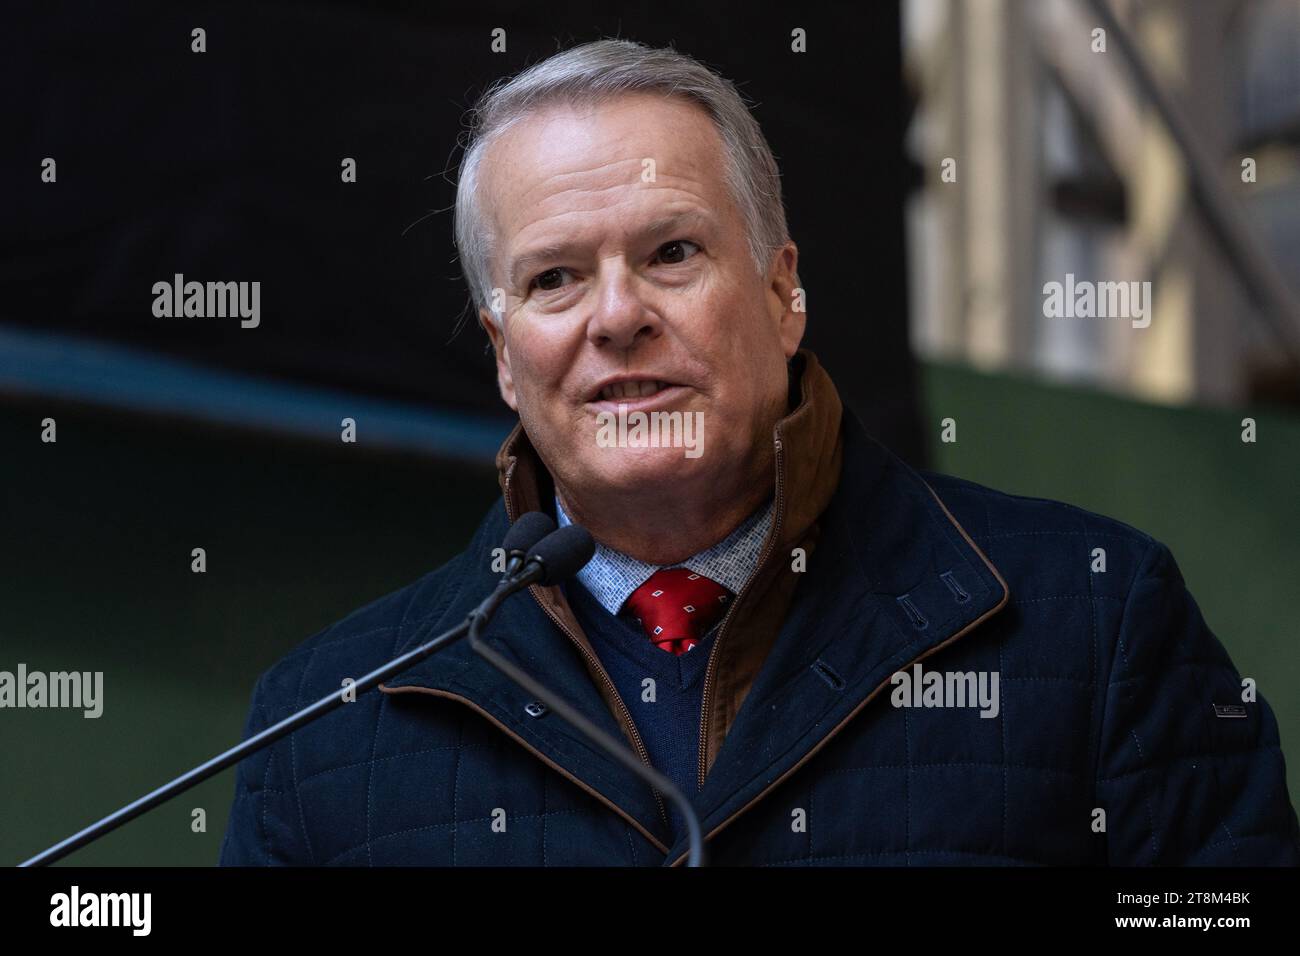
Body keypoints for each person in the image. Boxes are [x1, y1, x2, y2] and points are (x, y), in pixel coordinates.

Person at [219, 38, 1299, 866]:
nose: (615, 315)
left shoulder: (1097, 621)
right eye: (552, 279)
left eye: (671, 252)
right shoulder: (329, 724)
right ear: (506, 355)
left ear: (783, 293)